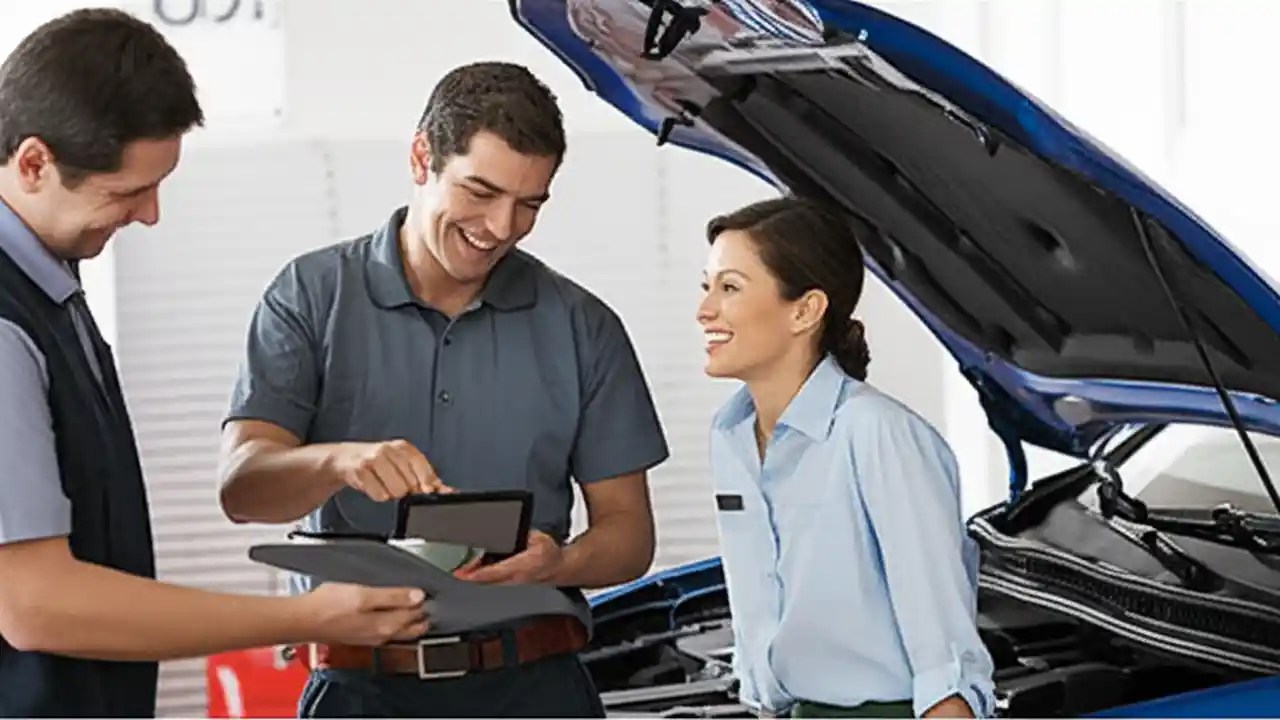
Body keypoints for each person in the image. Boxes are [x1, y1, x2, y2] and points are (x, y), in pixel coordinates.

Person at [0, 9, 433, 719]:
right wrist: (308, 619)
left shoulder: (53, 293)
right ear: (34, 162)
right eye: (126, 192)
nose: (150, 215)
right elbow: (36, 605)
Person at [217, 61, 669, 718]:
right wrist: (339, 461)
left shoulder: (583, 326)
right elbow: (242, 489)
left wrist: (557, 563)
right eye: (480, 192)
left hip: (535, 690)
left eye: (529, 205)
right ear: (421, 155)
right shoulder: (310, 296)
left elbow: (630, 536)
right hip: (360, 694)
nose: (501, 227)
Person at [696, 196, 996, 718]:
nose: (704, 311)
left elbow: (943, 660)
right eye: (707, 287)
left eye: (730, 288)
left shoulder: (880, 435)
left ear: (805, 310)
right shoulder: (730, 436)